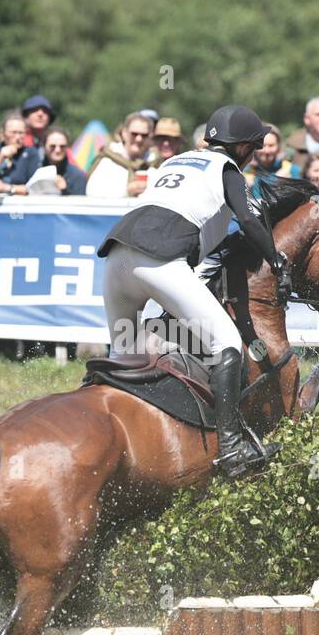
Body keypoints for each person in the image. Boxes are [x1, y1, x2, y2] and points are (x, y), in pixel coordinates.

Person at [97, 104, 292, 479]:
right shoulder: (227, 170)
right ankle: (233, 451)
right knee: (227, 344)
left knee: (122, 355)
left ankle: (98, 418)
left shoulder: (177, 161)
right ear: (240, 147)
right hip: (159, 261)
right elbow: (248, 220)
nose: (253, 154)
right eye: (252, 147)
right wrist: (277, 260)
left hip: (116, 258)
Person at [86, 112, 155, 198]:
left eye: (144, 135)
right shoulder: (108, 161)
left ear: (150, 136)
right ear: (124, 133)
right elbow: (93, 193)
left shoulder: (155, 163)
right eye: (134, 134)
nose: (139, 139)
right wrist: (127, 191)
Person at [0, 111, 41, 195]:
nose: (18, 137)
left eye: (21, 133)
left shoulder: (30, 154)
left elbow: (35, 187)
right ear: (3, 134)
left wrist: (7, 188)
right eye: (13, 132)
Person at [246, 124, 300, 198]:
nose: (266, 151)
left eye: (271, 145)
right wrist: (276, 180)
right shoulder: (246, 172)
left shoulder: (291, 170)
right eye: (263, 146)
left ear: (278, 147)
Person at [39, 127, 87, 195]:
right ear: (43, 146)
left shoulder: (77, 176)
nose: (57, 150)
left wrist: (64, 191)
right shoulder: (35, 169)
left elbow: (80, 204)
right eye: (53, 146)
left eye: (62, 146)